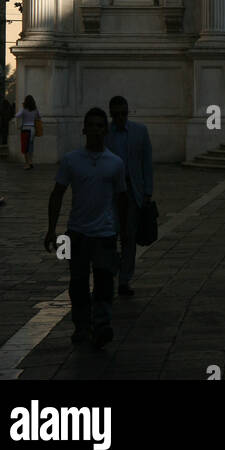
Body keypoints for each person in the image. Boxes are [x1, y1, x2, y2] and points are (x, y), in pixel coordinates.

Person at [45, 107, 128, 348]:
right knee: (78, 283)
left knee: (104, 281)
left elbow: (121, 198)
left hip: (105, 233)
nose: (95, 130)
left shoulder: (115, 163)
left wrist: (122, 232)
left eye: (100, 126)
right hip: (77, 232)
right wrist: (52, 229)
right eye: (91, 125)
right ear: (84, 129)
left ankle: (102, 324)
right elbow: (57, 193)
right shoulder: (72, 160)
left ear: (106, 130)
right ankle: (82, 326)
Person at [107, 97, 154, 296]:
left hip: (131, 190)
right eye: (115, 114)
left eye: (123, 113)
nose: (119, 118)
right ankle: (111, 272)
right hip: (111, 192)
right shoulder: (104, 133)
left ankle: (124, 280)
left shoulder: (140, 131)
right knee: (109, 236)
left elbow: (146, 163)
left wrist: (147, 192)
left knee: (129, 237)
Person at [15, 94, 41, 170]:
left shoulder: (24, 109)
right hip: (32, 129)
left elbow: (17, 115)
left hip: (25, 129)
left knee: (25, 147)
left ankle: (27, 164)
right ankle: (31, 162)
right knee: (30, 147)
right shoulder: (35, 109)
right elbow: (39, 117)